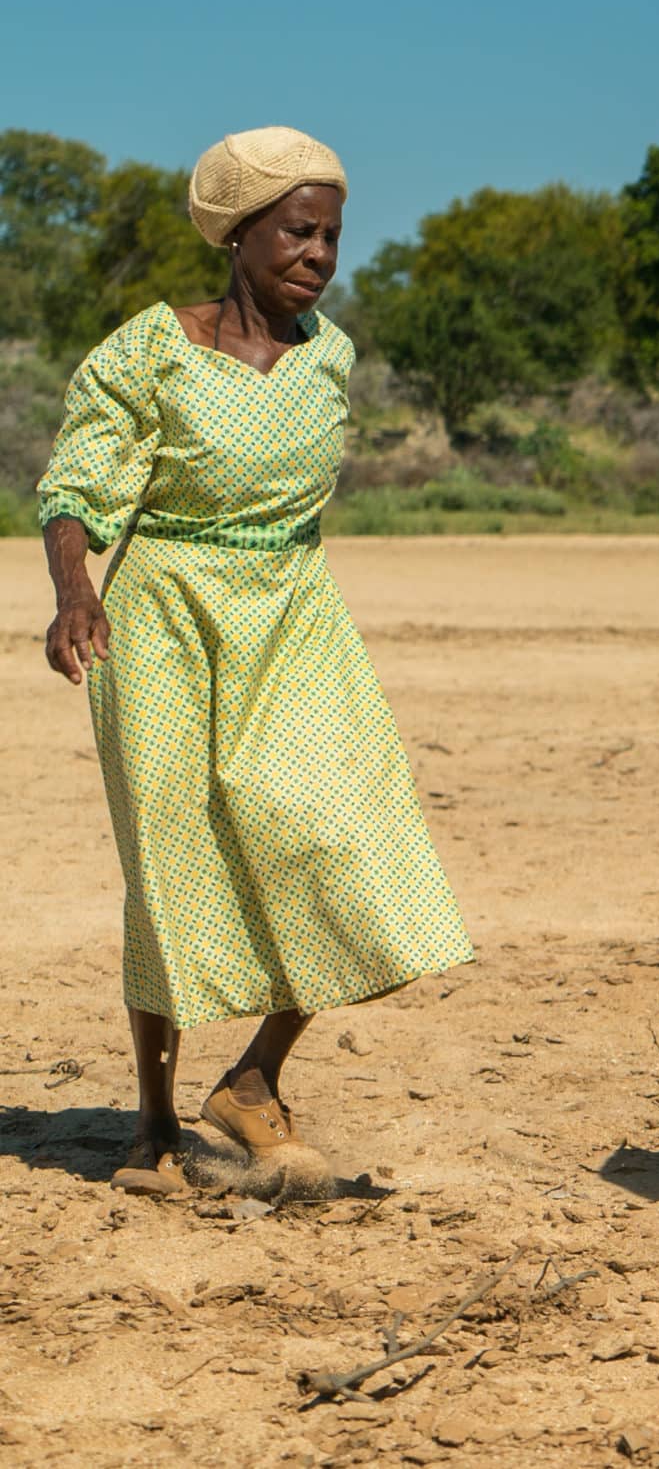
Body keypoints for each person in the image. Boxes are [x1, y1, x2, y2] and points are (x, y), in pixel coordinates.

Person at [36, 127, 472, 1197]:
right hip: (163, 619)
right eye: (297, 231)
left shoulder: (332, 356)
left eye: (332, 235)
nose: (318, 253)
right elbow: (76, 486)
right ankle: (151, 1124)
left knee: (337, 842)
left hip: (293, 619)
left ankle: (252, 1077)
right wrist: (75, 590)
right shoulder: (151, 348)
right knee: (170, 867)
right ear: (240, 233)